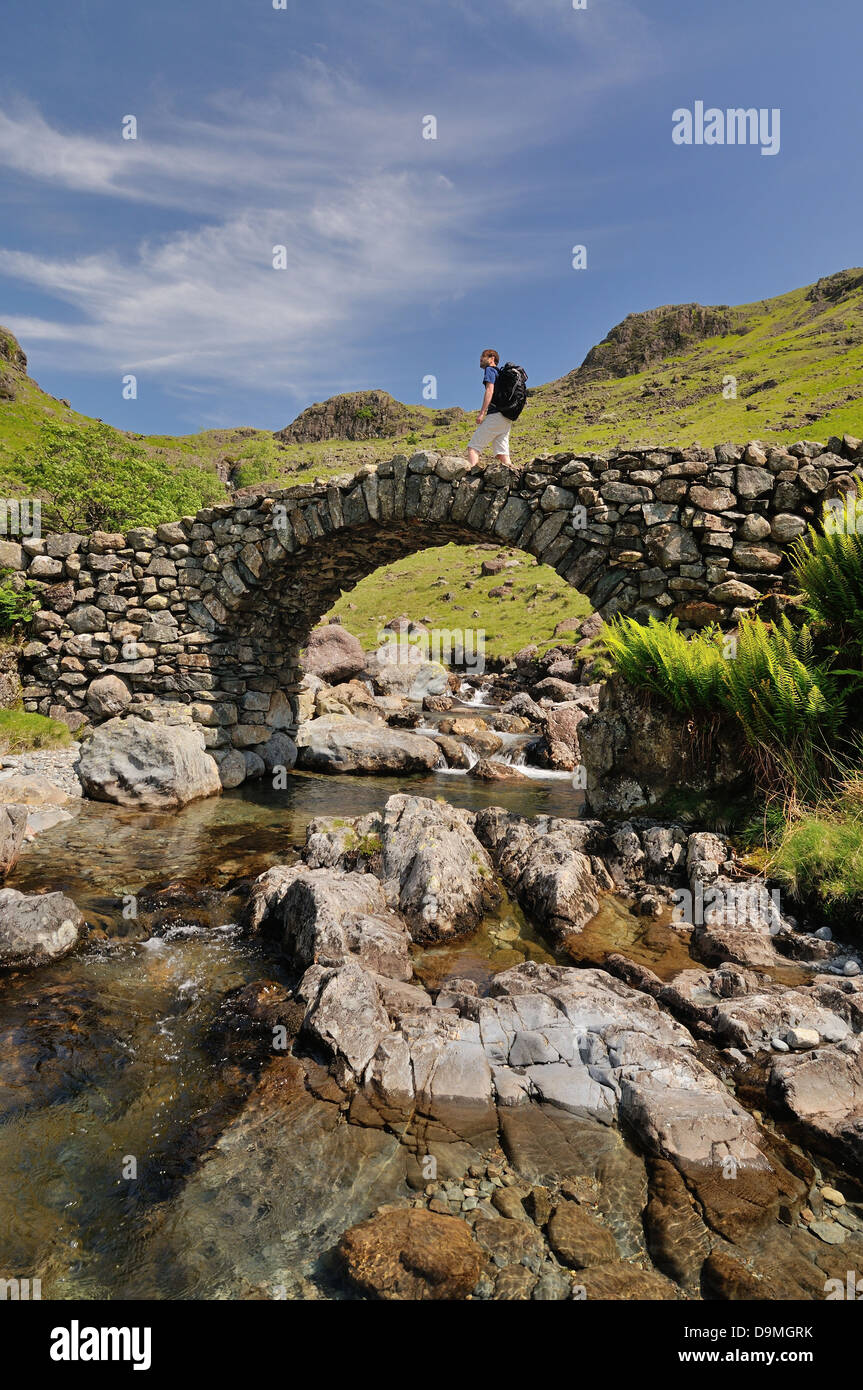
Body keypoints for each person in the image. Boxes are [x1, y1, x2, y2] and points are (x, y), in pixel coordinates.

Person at [467, 348, 513, 467]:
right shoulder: (501, 374)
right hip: (507, 418)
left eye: (483, 356)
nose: (480, 359)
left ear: (492, 358)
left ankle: (471, 480)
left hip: (495, 415)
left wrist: (482, 413)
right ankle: (515, 477)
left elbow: (490, 390)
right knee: (502, 455)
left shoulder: (490, 370)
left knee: (473, 447)